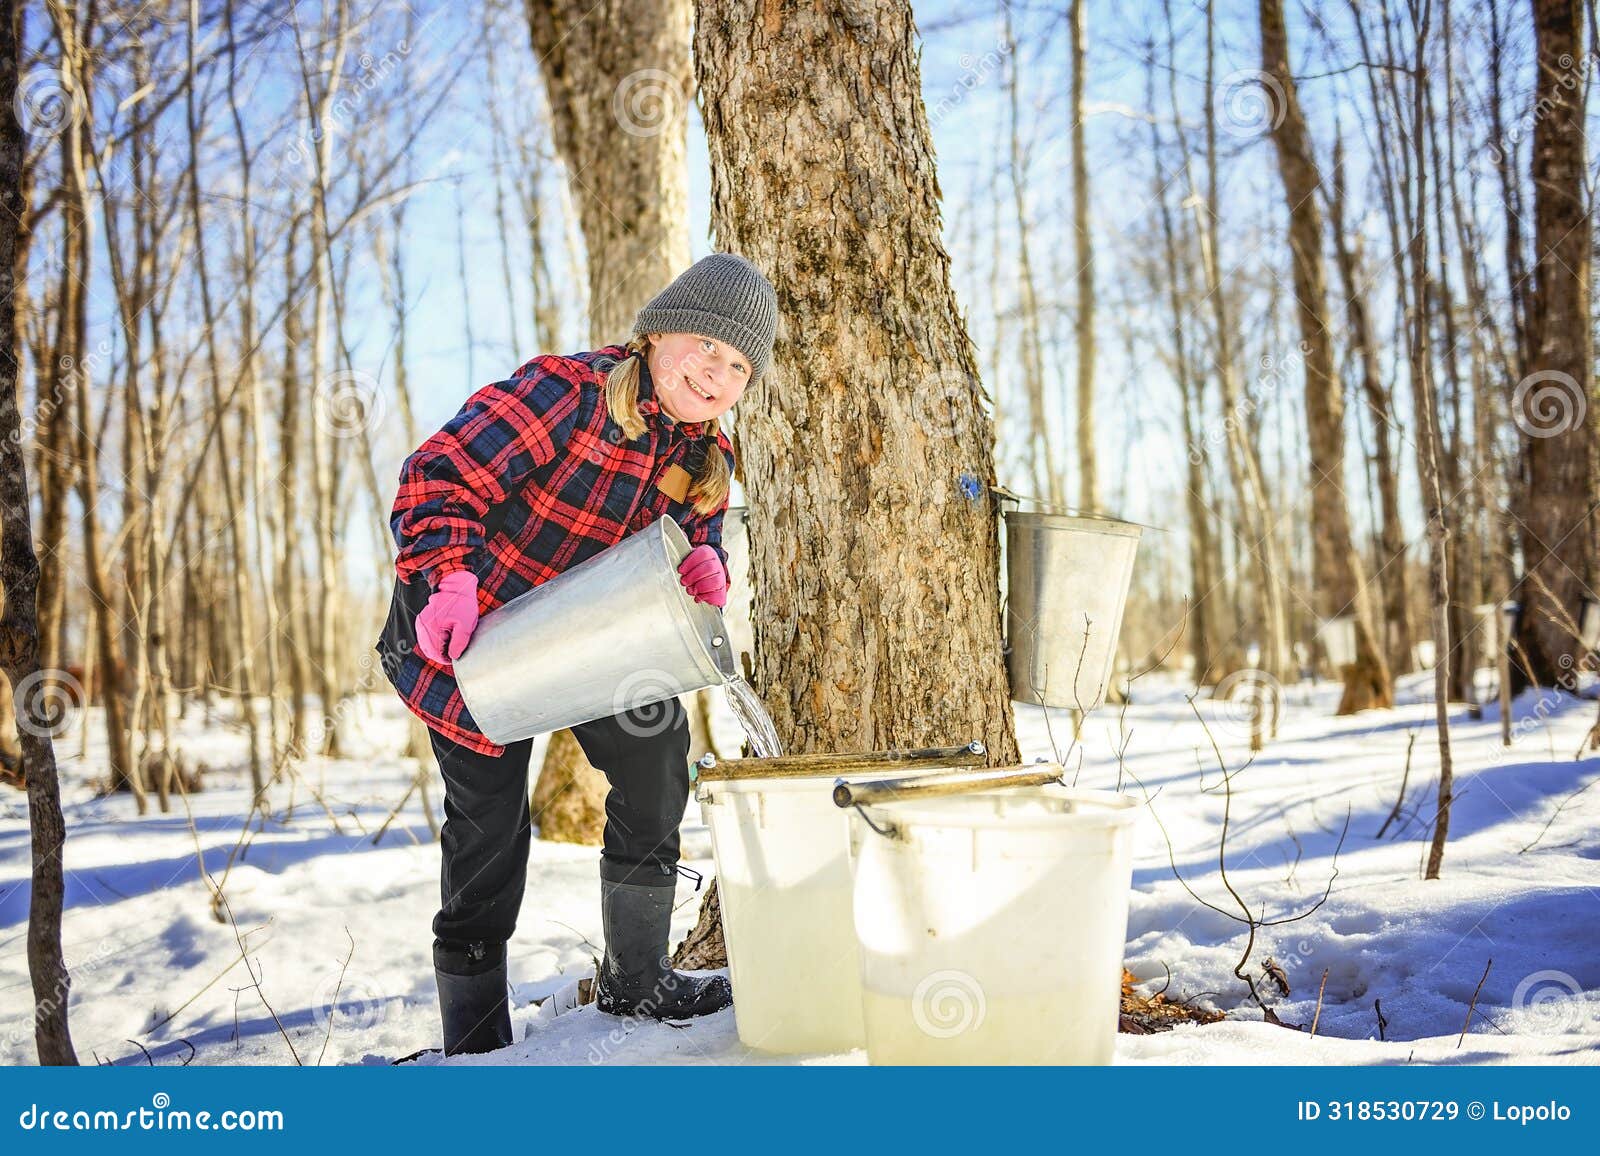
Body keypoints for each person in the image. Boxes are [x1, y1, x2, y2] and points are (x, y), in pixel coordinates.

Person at [375, 252, 778, 1055]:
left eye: (738, 365)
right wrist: (449, 576)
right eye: (705, 345)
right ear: (657, 331)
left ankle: (637, 979)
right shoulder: (567, 393)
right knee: (488, 824)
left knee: (658, 756)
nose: (716, 373)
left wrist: (707, 567)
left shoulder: (707, 456)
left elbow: (698, 537)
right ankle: (477, 1033)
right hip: (471, 633)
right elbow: (439, 475)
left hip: (596, 642)